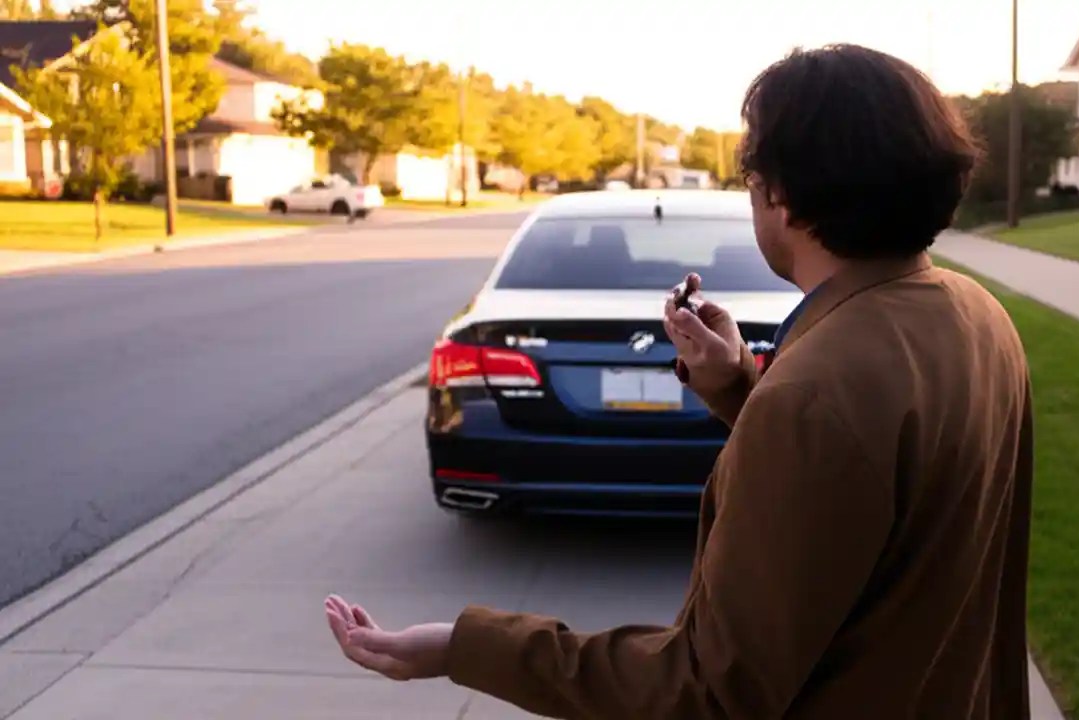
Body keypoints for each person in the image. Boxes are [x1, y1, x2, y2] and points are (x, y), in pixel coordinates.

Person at [324, 44, 1033, 719]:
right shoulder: (978, 318)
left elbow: (707, 693)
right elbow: (868, 497)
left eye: (751, 177)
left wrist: (465, 646)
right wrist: (737, 389)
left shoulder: (815, 395)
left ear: (780, 194)